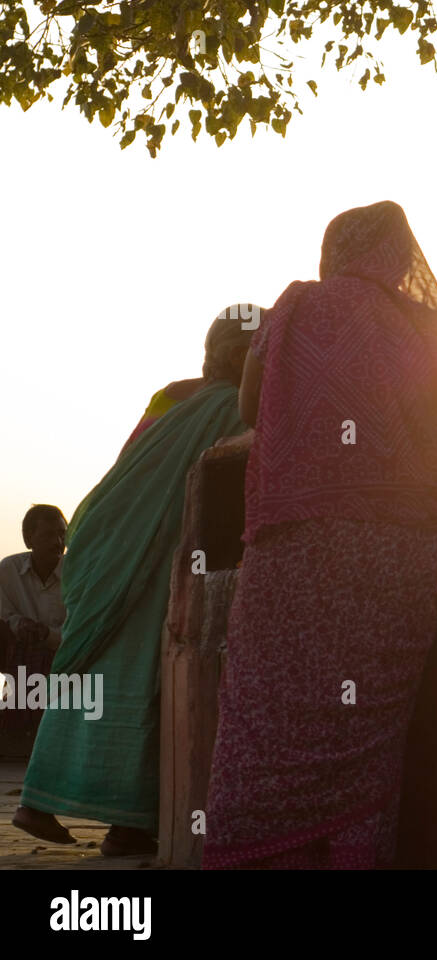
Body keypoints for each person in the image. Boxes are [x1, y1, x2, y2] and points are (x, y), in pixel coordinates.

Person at [202, 201, 437, 869]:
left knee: (266, 718)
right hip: (393, 556)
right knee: (367, 738)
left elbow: (252, 405)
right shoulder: (426, 328)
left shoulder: (296, 306)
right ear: (400, 259)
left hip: (294, 550)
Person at [14, 309, 257, 855]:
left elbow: (129, 465)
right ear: (244, 355)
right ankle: (117, 819)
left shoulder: (171, 396)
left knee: (94, 673)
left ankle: (72, 808)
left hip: (116, 547)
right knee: (147, 686)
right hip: (158, 561)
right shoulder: (241, 408)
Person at [0, 505, 68, 752]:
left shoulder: (75, 574)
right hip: (20, 652)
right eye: (49, 534)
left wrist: (45, 635)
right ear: (29, 539)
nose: (58, 542)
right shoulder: (8, 570)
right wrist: (22, 626)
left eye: (62, 534)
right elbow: (4, 614)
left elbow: (79, 629)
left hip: (62, 655)